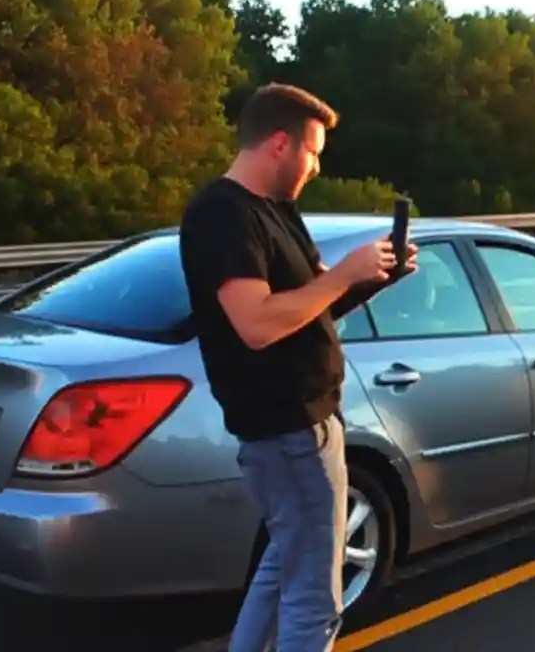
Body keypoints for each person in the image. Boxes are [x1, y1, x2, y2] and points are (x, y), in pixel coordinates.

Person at [178, 83, 417, 652]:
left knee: (287, 562)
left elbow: (311, 306)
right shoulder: (222, 215)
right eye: (313, 152)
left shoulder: (279, 212)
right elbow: (257, 324)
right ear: (280, 144)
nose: (316, 166)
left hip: (308, 425)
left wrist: (368, 280)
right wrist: (341, 273)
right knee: (315, 598)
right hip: (285, 430)